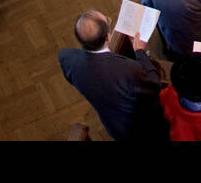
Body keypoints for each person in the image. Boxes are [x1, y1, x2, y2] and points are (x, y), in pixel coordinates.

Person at [57, 10, 167, 141]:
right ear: (108, 37)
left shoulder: (66, 58)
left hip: (114, 125)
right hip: (139, 128)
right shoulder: (128, 70)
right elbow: (154, 82)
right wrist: (140, 51)